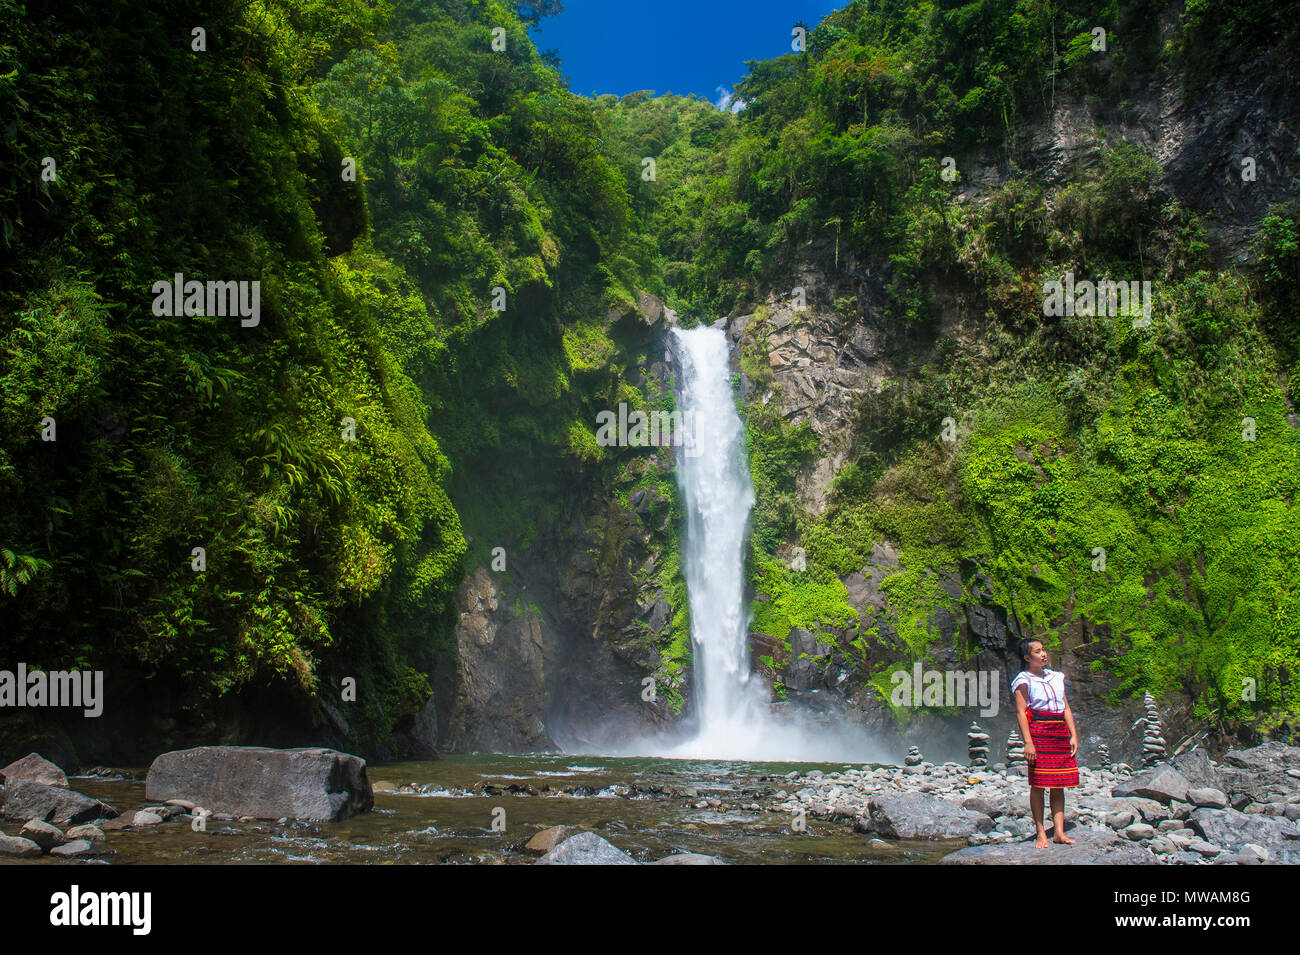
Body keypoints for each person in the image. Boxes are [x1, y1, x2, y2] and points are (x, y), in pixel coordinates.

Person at [1011, 638, 1079, 847]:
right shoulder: (1023, 680)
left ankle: (1058, 832)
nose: (1043, 654)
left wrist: (1073, 734)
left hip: (1059, 731)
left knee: (1060, 783)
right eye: (1038, 651)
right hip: (1039, 731)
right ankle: (1041, 831)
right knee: (1039, 783)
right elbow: (1022, 712)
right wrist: (1028, 742)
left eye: (1043, 650)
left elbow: (1066, 707)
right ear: (1027, 657)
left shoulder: (1057, 677)